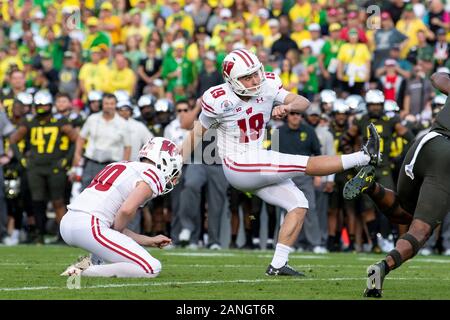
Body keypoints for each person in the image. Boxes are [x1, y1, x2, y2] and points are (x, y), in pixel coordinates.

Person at [181, 48, 381, 276]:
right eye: (247, 77)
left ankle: (277, 264)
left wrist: (287, 106)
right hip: (237, 163)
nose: (255, 80)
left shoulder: (268, 85)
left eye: (256, 73)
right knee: (304, 164)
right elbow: (196, 134)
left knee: (299, 204)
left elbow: (303, 102)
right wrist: (178, 163)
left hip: (257, 159)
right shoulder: (218, 99)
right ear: (232, 80)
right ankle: (364, 156)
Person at [342, 71, 450, 297]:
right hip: (445, 156)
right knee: (421, 230)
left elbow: (437, 78)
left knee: (402, 212)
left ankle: (371, 186)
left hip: (424, 142)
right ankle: (381, 268)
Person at [60, 137, 181, 278]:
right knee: (151, 268)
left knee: (112, 241)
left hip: (69, 222)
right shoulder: (154, 174)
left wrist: (149, 240)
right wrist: (115, 233)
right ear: (165, 161)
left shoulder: (120, 165)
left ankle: (88, 264)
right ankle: (80, 271)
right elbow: (126, 211)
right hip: (90, 226)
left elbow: (111, 225)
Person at [9, 90, 78, 244]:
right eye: (39, 105)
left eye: (44, 105)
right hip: (36, 167)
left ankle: (63, 236)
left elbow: (76, 139)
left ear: (50, 106)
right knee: (37, 202)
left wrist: (66, 160)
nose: (41, 109)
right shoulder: (29, 121)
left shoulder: (59, 121)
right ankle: (39, 235)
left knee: (58, 201)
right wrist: (22, 159)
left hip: (55, 166)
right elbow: (13, 140)